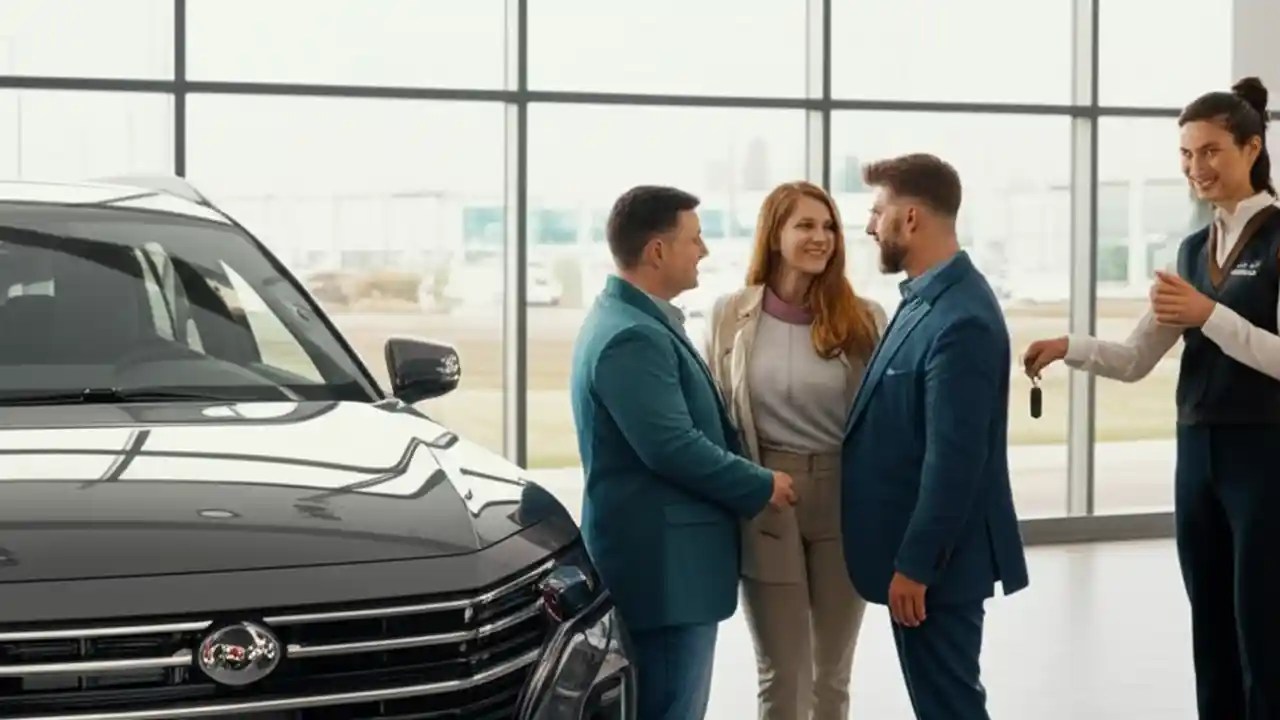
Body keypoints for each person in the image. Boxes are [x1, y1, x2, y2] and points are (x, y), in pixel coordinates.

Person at [1023, 77, 1280, 720]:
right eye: (1188, 155)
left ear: (1252, 148)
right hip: (1197, 450)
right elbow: (1138, 358)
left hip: (1265, 453)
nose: (1198, 167)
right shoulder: (1193, 251)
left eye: (1212, 150)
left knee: (1265, 624)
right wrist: (1070, 345)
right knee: (1210, 625)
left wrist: (1208, 313)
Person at [569, 184, 798, 720]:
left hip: (664, 565)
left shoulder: (632, 319)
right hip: (666, 574)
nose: (704, 251)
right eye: (694, 239)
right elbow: (672, 447)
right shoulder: (632, 337)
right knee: (672, 706)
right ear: (656, 251)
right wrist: (762, 484)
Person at [842, 154, 1029, 720]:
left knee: (949, 705)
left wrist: (917, 564)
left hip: (939, 568)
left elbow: (955, 460)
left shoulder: (961, 318)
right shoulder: (921, 299)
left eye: (878, 211)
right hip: (920, 560)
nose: (871, 225)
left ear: (912, 217)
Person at [701, 180, 884, 720]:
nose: (821, 237)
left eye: (828, 226)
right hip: (766, 496)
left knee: (830, 675)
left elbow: (884, 419)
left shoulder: (865, 318)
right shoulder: (729, 315)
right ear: (773, 234)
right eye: (805, 225)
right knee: (784, 672)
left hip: (844, 498)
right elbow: (718, 414)